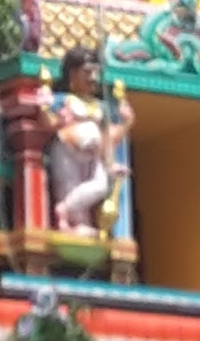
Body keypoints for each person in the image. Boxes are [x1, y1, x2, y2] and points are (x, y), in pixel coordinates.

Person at [37, 47, 134, 235]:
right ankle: (70, 223)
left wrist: (126, 123)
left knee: (101, 186)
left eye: (95, 72)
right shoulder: (63, 100)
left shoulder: (101, 107)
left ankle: (63, 209)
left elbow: (108, 138)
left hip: (94, 157)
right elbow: (47, 123)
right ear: (72, 74)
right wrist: (45, 108)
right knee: (70, 191)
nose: (93, 78)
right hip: (66, 151)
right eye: (87, 72)